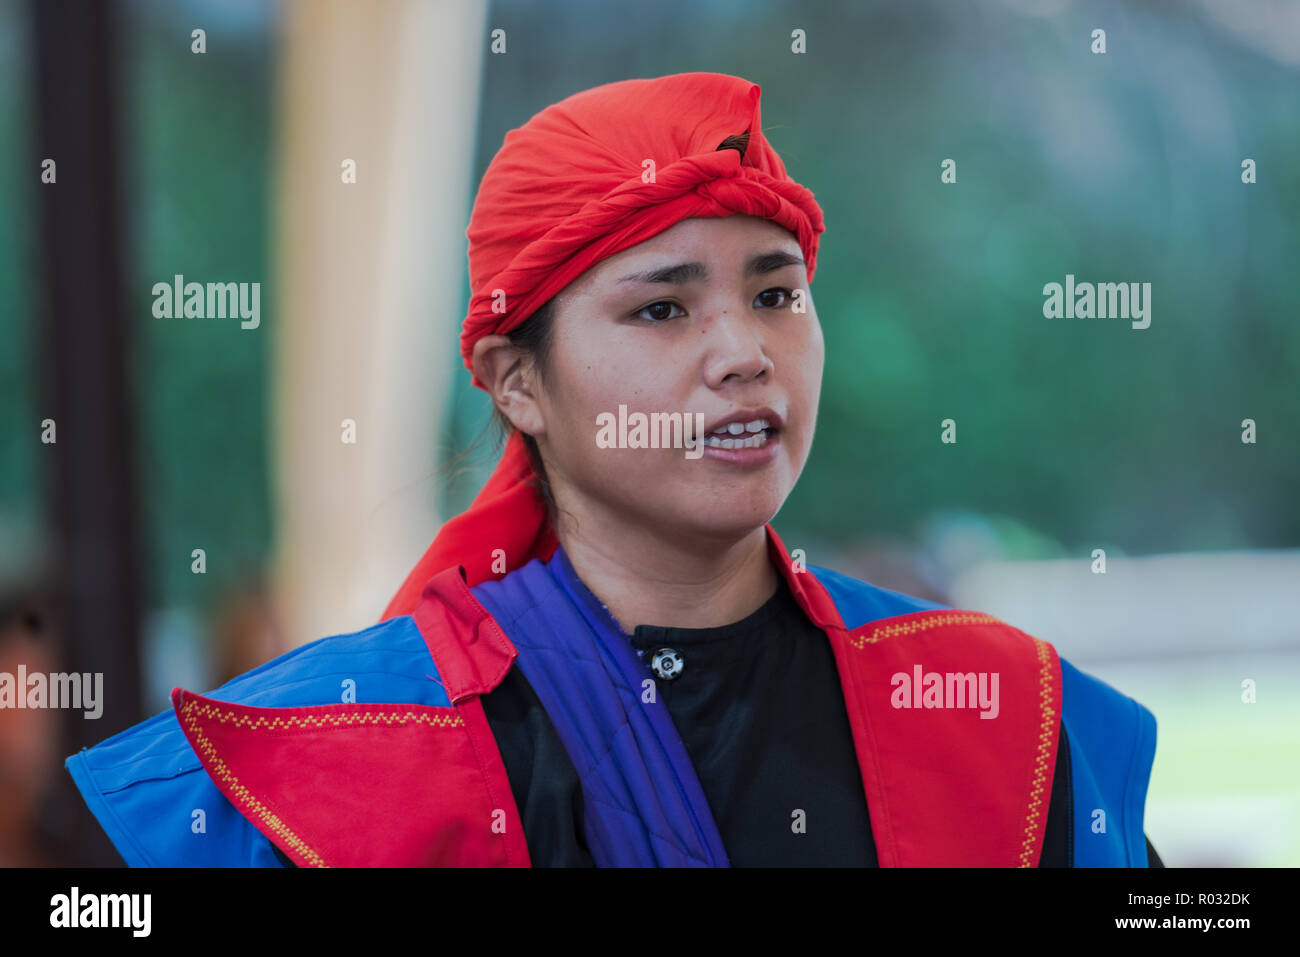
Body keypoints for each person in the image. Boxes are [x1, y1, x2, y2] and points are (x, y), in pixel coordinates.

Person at [65, 71, 1161, 867]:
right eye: (662, 306)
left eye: (776, 294)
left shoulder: (1001, 718)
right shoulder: (311, 766)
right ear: (516, 383)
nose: (744, 352)